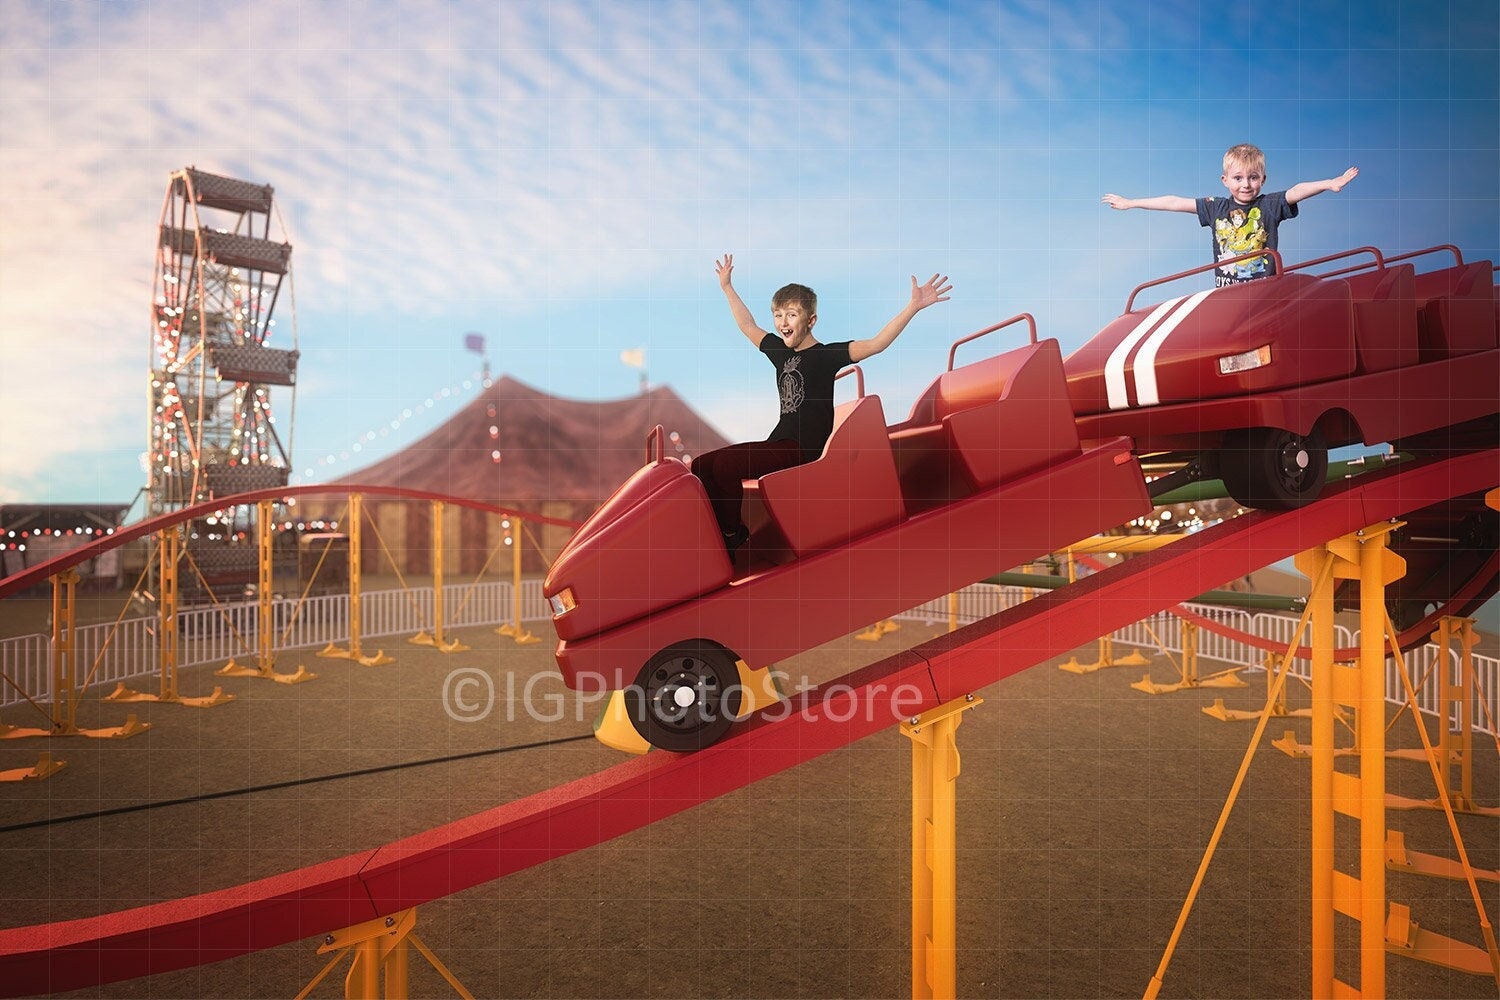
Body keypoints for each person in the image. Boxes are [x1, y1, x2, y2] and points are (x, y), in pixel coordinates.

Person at [693, 253, 952, 555]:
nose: (782, 323)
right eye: (778, 316)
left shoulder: (826, 356)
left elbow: (876, 344)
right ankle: (717, 536)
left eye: (791, 315)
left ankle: (733, 534)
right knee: (701, 465)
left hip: (803, 447)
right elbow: (748, 325)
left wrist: (913, 307)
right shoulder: (780, 352)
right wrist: (727, 287)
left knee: (725, 467)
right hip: (780, 441)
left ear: (810, 319)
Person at [1102, 143, 1359, 286]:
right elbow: (1174, 202)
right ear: (1225, 180)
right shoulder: (1216, 207)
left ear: (1263, 179)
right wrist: (1131, 202)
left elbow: (1297, 190)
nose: (1246, 184)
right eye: (1238, 178)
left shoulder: (1269, 205)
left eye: (1253, 177)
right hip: (1227, 293)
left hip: (1264, 288)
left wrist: (1328, 183)